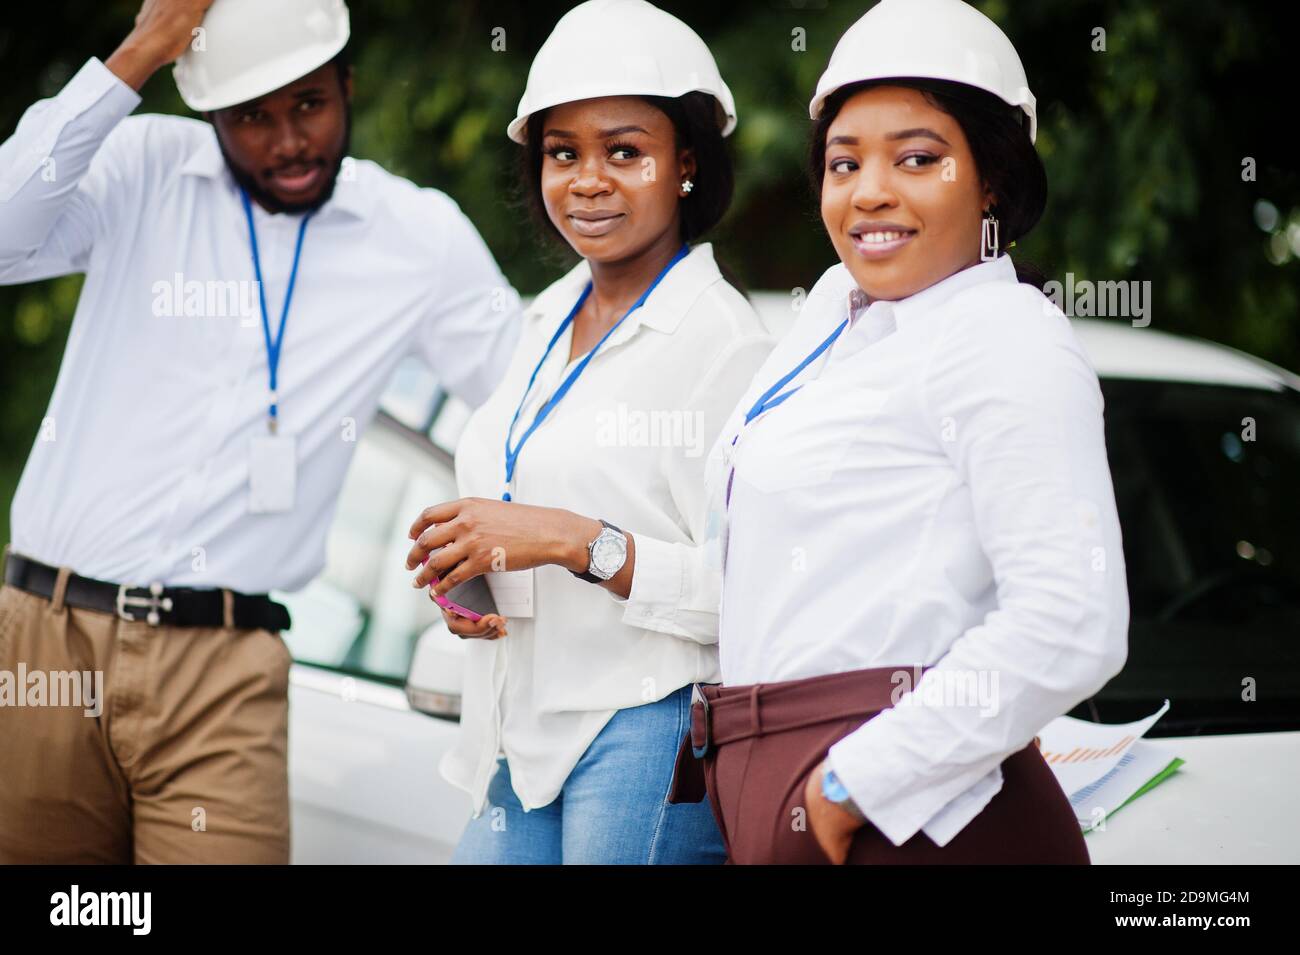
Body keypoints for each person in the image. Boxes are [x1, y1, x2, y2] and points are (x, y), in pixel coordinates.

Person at [0, 0, 521, 863]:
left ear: (347, 86)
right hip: (46, 639)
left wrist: (506, 550)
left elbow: (528, 408)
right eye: (252, 117)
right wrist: (139, 54)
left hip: (226, 671)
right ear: (210, 116)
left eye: (309, 105)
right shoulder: (140, 167)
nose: (287, 142)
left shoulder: (418, 237)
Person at [673, 0, 1130, 864]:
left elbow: (1074, 619)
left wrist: (850, 786)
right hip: (769, 777)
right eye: (844, 163)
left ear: (991, 177)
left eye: (917, 158)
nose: (870, 189)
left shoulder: (1004, 333)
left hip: (910, 812)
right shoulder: (828, 320)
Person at [404, 0, 773, 864]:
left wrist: (573, 541)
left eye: (625, 151)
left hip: (649, 723)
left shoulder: (722, 341)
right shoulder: (545, 316)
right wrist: (476, 571)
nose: (588, 179)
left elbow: (750, 594)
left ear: (685, 163)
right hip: (522, 731)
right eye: (563, 153)